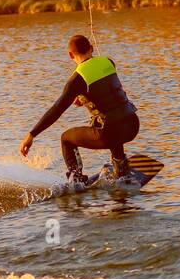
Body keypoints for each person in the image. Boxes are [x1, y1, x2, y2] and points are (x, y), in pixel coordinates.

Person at [19, 34, 140, 187]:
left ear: (70, 55)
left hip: (109, 132)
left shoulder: (76, 80)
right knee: (113, 119)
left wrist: (32, 134)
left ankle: (76, 181)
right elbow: (105, 91)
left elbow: (57, 109)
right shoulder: (108, 62)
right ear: (92, 48)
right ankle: (120, 166)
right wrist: (83, 97)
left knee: (66, 139)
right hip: (132, 125)